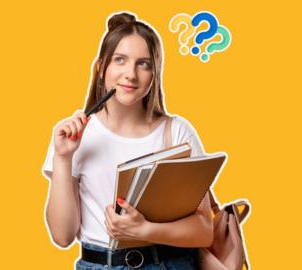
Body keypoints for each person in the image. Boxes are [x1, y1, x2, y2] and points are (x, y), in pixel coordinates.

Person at [42, 12, 213, 270]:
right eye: (120, 60)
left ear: (154, 74)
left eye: (143, 64)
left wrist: (144, 229)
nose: (130, 74)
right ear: (101, 69)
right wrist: (63, 157)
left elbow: (203, 230)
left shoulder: (177, 133)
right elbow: (62, 236)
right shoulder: (75, 137)